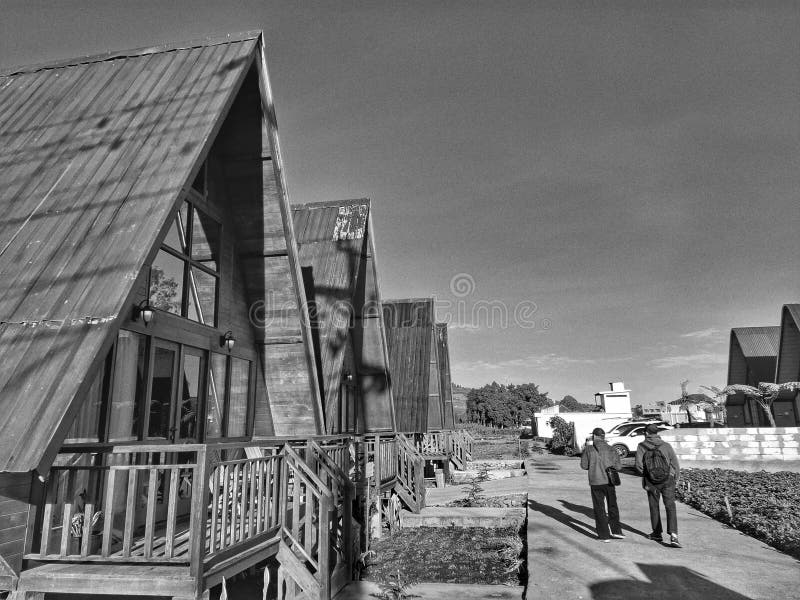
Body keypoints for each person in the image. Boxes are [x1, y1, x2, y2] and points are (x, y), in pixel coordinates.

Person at [635, 423, 681, 547]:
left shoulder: (641, 446)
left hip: (651, 482)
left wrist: (648, 476)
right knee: (670, 506)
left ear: (646, 433)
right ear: (657, 433)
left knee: (654, 506)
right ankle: (674, 536)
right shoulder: (666, 446)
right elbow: (675, 463)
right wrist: (675, 478)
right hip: (668, 480)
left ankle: (657, 533)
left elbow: (639, 466)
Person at [580, 427, 624, 542]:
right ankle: (616, 531)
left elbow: (584, 466)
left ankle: (604, 535)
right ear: (604, 437)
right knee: (612, 506)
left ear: (594, 436)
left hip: (596, 481)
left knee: (599, 508)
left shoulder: (588, 449)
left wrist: (593, 465)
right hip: (610, 481)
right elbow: (619, 467)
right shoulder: (611, 449)